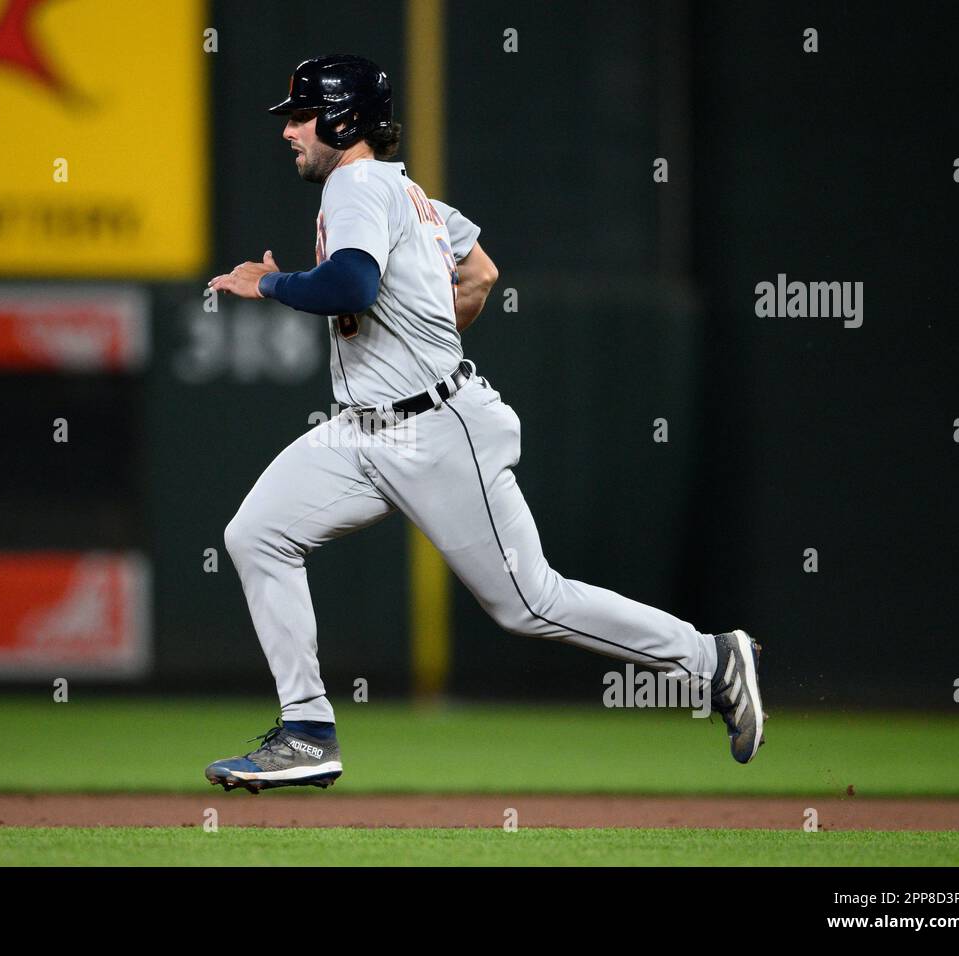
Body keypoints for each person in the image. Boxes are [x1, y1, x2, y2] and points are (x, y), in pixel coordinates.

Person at [204, 55, 764, 793]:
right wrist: (433, 325)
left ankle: (712, 658)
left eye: (302, 116)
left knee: (530, 601)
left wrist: (266, 282)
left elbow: (351, 282)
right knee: (256, 535)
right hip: (366, 430)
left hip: (435, 428)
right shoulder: (408, 194)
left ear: (343, 122)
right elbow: (481, 274)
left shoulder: (355, 182)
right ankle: (307, 731)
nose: (290, 131)